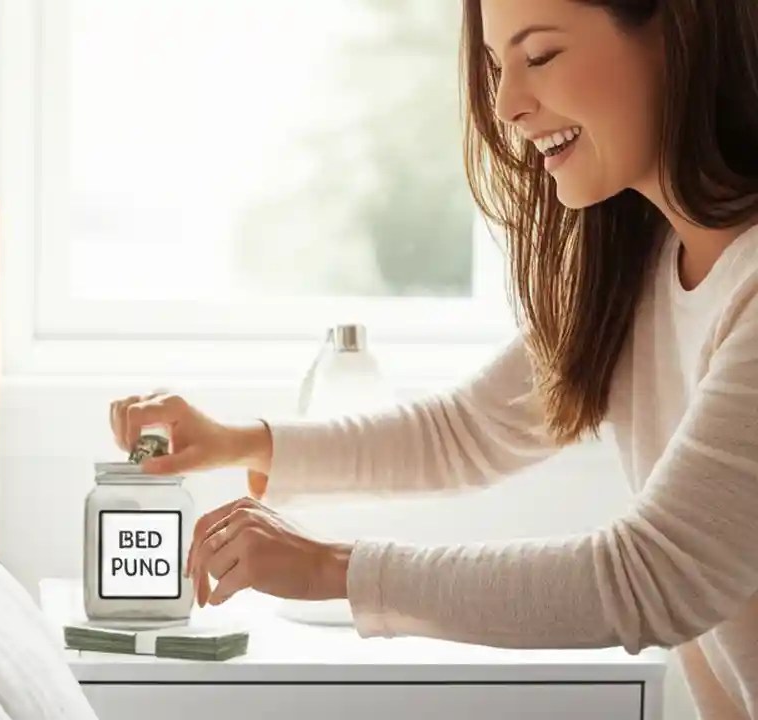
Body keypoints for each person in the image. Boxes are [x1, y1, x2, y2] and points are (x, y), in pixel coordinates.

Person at [108, 0, 758, 718]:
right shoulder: (644, 259)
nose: (507, 102)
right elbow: (469, 430)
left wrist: (332, 568)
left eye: (540, 55)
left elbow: (651, 578)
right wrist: (243, 443)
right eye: (495, 67)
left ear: (679, 35)